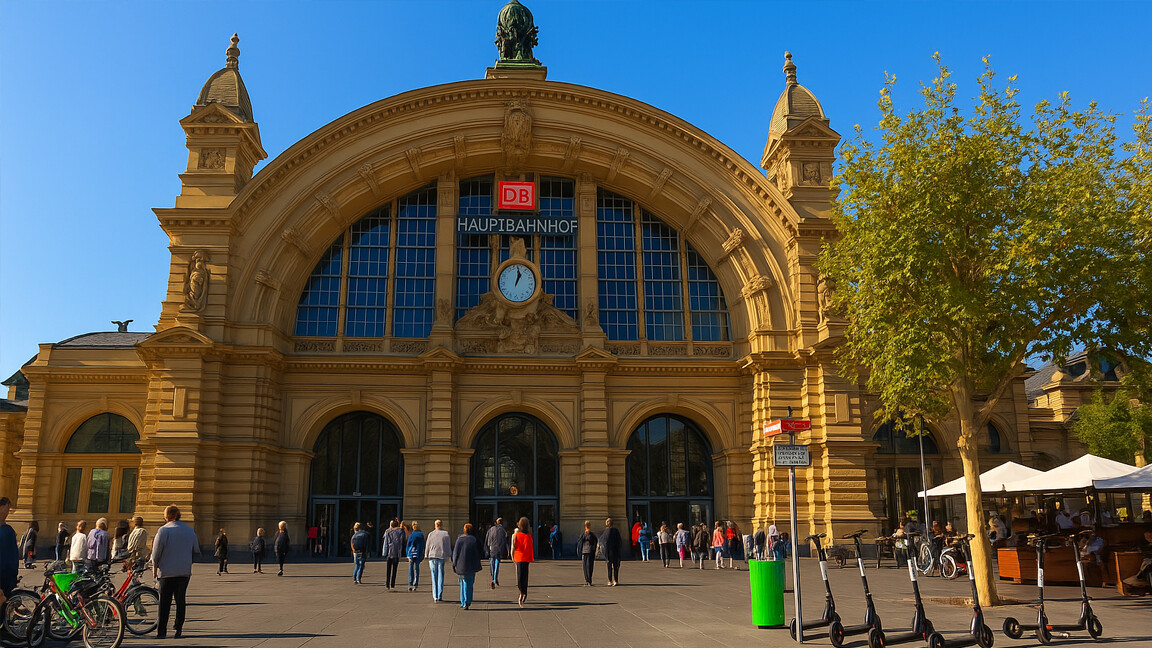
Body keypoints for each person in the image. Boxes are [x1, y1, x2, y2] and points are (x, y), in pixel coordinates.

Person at [151, 504, 200, 639]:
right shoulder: (190, 530)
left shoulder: (163, 531)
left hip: (166, 572)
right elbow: (196, 550)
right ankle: (178, 628)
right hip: (184, 572)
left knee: (164, 603)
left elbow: (155, 554)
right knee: (180, 601)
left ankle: (162, 631)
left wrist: (154, 569)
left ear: (167, 516)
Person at [452, 523, 482, 609]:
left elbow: (455, 553)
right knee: (470, 583)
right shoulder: (474, 540)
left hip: (461, 565)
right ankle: (468, 600)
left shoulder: (459, 540)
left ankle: (463, 601)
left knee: (462, 582)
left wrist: (454, 564)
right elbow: (479, 552)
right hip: (472, 564)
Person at [426, 519, 451, 602]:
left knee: (434, 575)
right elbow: (448, 546)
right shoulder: (445, 534)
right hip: (441, 556)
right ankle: (439, 594)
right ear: (441, 525)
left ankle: (435, 595)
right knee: (441, 575)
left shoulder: (430, 534)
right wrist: (449, 554)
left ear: (435, 525)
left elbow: (428, 545)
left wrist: (426, 554)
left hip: (432, 556)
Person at [512, 516, 534, 607]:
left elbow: (514, 546)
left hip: (519, 557)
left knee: (520, 576)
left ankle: (521, 592)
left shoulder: (516, 535)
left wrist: (512, 556)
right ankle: (524, 591)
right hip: (526, 557)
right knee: (525, 575)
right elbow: (530, 546)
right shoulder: (529, 535)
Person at [0, 497, 18, 606]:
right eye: (6, 508)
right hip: (5, 573)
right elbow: (11, 557)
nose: (6, 512)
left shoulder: (7, 530)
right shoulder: (7, 531)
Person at [484, 518, 508, 589]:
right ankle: (494, 578)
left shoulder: (491, 529)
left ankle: (493, 576)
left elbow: (487, 539)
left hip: (492, 548)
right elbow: (504, 541)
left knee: (492, 563)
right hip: (498, 549)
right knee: (497, 563)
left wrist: (488, 547)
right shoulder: (503, 530)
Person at [382, 519, 405, 590]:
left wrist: (384, 553)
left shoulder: (388, 532)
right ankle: (392, 583)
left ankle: (387, 583)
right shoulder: (400, 532)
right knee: (395, 569)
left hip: (389, 552)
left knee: (388, 569)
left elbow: (385, 543)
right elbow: (402, 541)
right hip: (396, 552)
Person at [601, 517, 622, 586]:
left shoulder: (605, 532)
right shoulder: (616, 531)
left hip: (608, 552)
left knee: (609, 567)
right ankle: (615, 580)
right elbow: (619, 541)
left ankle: (610, 581)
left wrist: (605, 553)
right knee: (616, 566)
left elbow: (604, 543)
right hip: (615, 551)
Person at [406, 520, 425, 591]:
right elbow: (423, 545)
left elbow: (408, 545)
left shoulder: (411, 535)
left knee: (411, 568)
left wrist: (408, 554)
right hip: (418, 553)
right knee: (416, 568)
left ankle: (410, 583)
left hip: (411, 553)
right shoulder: (421, 535)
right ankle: (415, 583)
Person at [578, 520, 598, 585]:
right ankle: (589, 580)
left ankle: (587, 580)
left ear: (585, 526)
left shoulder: (583, 534)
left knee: (585, 567)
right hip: (590, 551)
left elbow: (580, 543)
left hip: (584, 551)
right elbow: (595, 541)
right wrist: (594, 550)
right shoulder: (592, 535)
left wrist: (579, 551)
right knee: (590, 566)